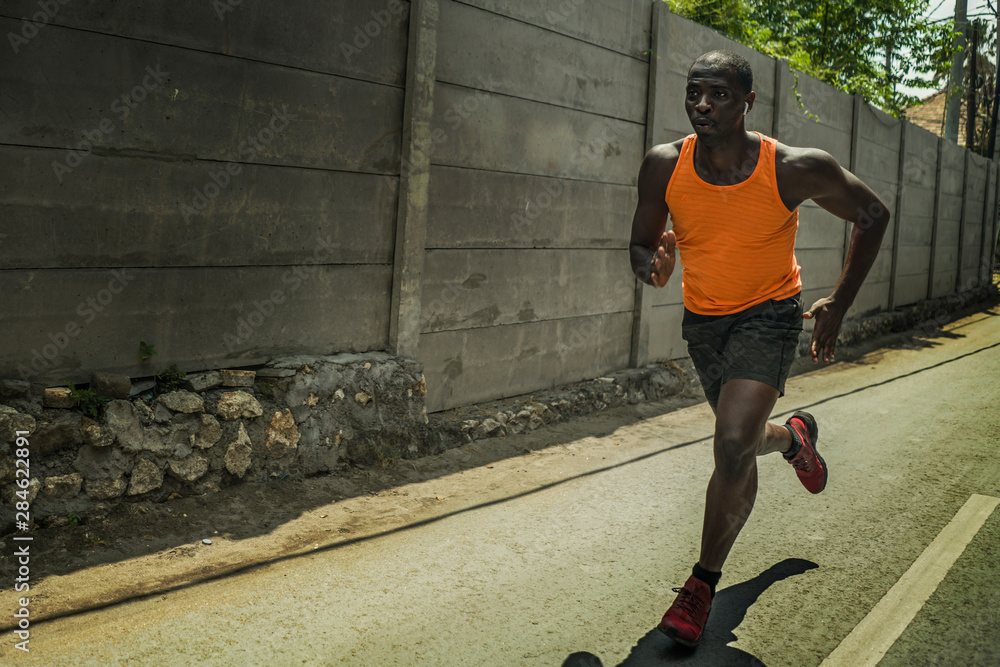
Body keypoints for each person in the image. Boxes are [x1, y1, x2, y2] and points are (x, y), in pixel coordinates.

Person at [628, 50, 889, 647]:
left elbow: (873, 215)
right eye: (695, 93)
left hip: (771, 316)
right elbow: (642, 246)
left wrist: (839, 303)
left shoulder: (794, 169)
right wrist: (655, 269)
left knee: (729, 443)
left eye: (718, 94)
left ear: (748, 101)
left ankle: (700, 587)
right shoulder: (664, 165)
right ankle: (794, 438)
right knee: (742, 443)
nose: (702, 105)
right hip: (705, 324)